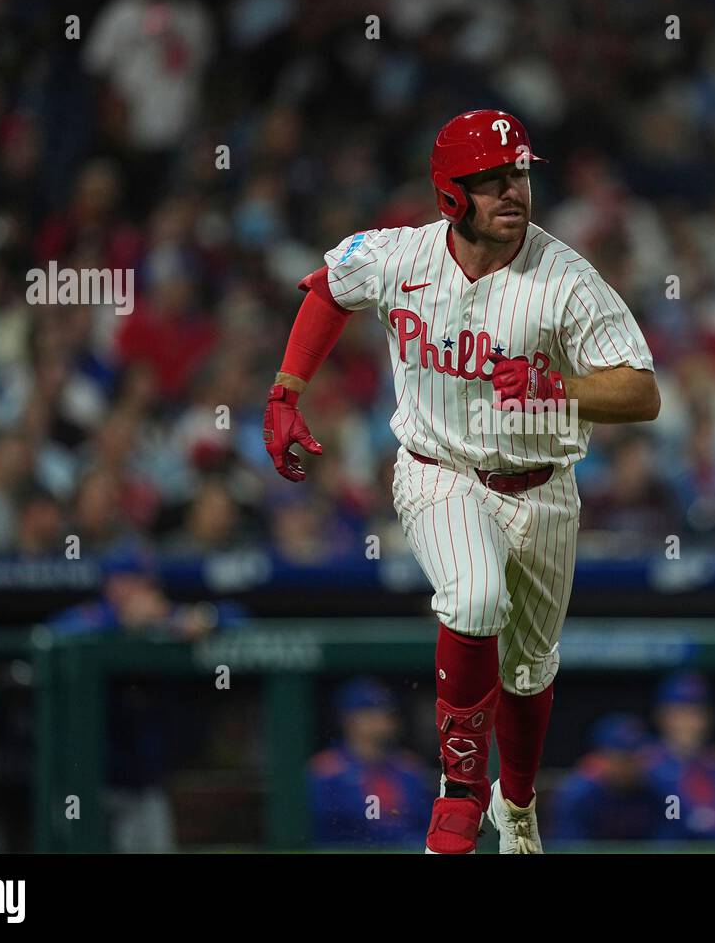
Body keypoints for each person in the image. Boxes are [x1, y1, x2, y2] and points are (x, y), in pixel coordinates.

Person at [263, 109, 659, 853]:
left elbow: (642, 393)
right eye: (493, 182)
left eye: (520, 175)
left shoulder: (565, 279)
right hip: (438, 472)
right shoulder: (399, 255)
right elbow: (327, 288)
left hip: (543, 489)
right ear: (452, 195)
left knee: (530, 669)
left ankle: (518, 806)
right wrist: (285, 391)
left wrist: (554, 387)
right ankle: (462, 788)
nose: (515, 191)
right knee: (474, 597)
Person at [48, 547, 245, 852]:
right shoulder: (90, 617)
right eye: (131, 582)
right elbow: (53, 637)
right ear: (111, 584)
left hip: (140, 784)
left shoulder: (161, 619)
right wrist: (121, 624)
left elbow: (239, 617)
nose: (141, 591)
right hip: (81, 782)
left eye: (146, 584)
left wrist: (207, 618)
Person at [307, 678, 432, 846]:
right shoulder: (327, 769)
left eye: (387, 714)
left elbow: (426, 823)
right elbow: (323, 830)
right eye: (372, 713)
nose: (383, 721)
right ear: (349, 719)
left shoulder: (409, 767)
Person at [643, 671, 715, 840]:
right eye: (679, 713)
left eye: (696, 713)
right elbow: (673, 821)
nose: (688, 723)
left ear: (709, 718)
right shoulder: (645, 763)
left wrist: (696, 820)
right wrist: (701, 818)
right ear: (661, 716)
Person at [552, 714, 661, 843]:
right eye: (622, 759)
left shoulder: (657, 789)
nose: (631, 765)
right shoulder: (578, 795)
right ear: (601, 758)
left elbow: (673, 842)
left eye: (636, 757)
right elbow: (569, 845)